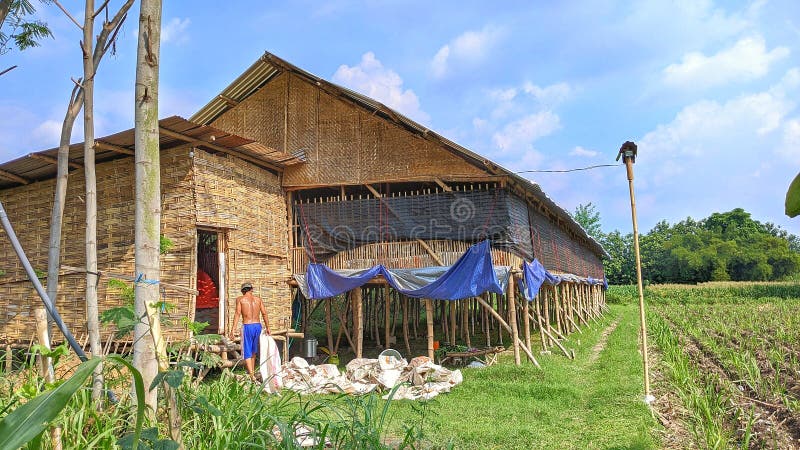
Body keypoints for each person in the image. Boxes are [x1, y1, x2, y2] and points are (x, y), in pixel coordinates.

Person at [231, 282, 270, 381]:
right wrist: (268, 327)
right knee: (253, 350)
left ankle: (252, 376)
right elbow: (264, 313)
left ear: (242, 291)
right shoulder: (258, 300)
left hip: (247, 326)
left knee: (247, 351)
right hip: (258, 326)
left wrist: (233, 330)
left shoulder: (240, 299)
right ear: (251, 289)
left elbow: (237, 314)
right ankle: (251, 372)